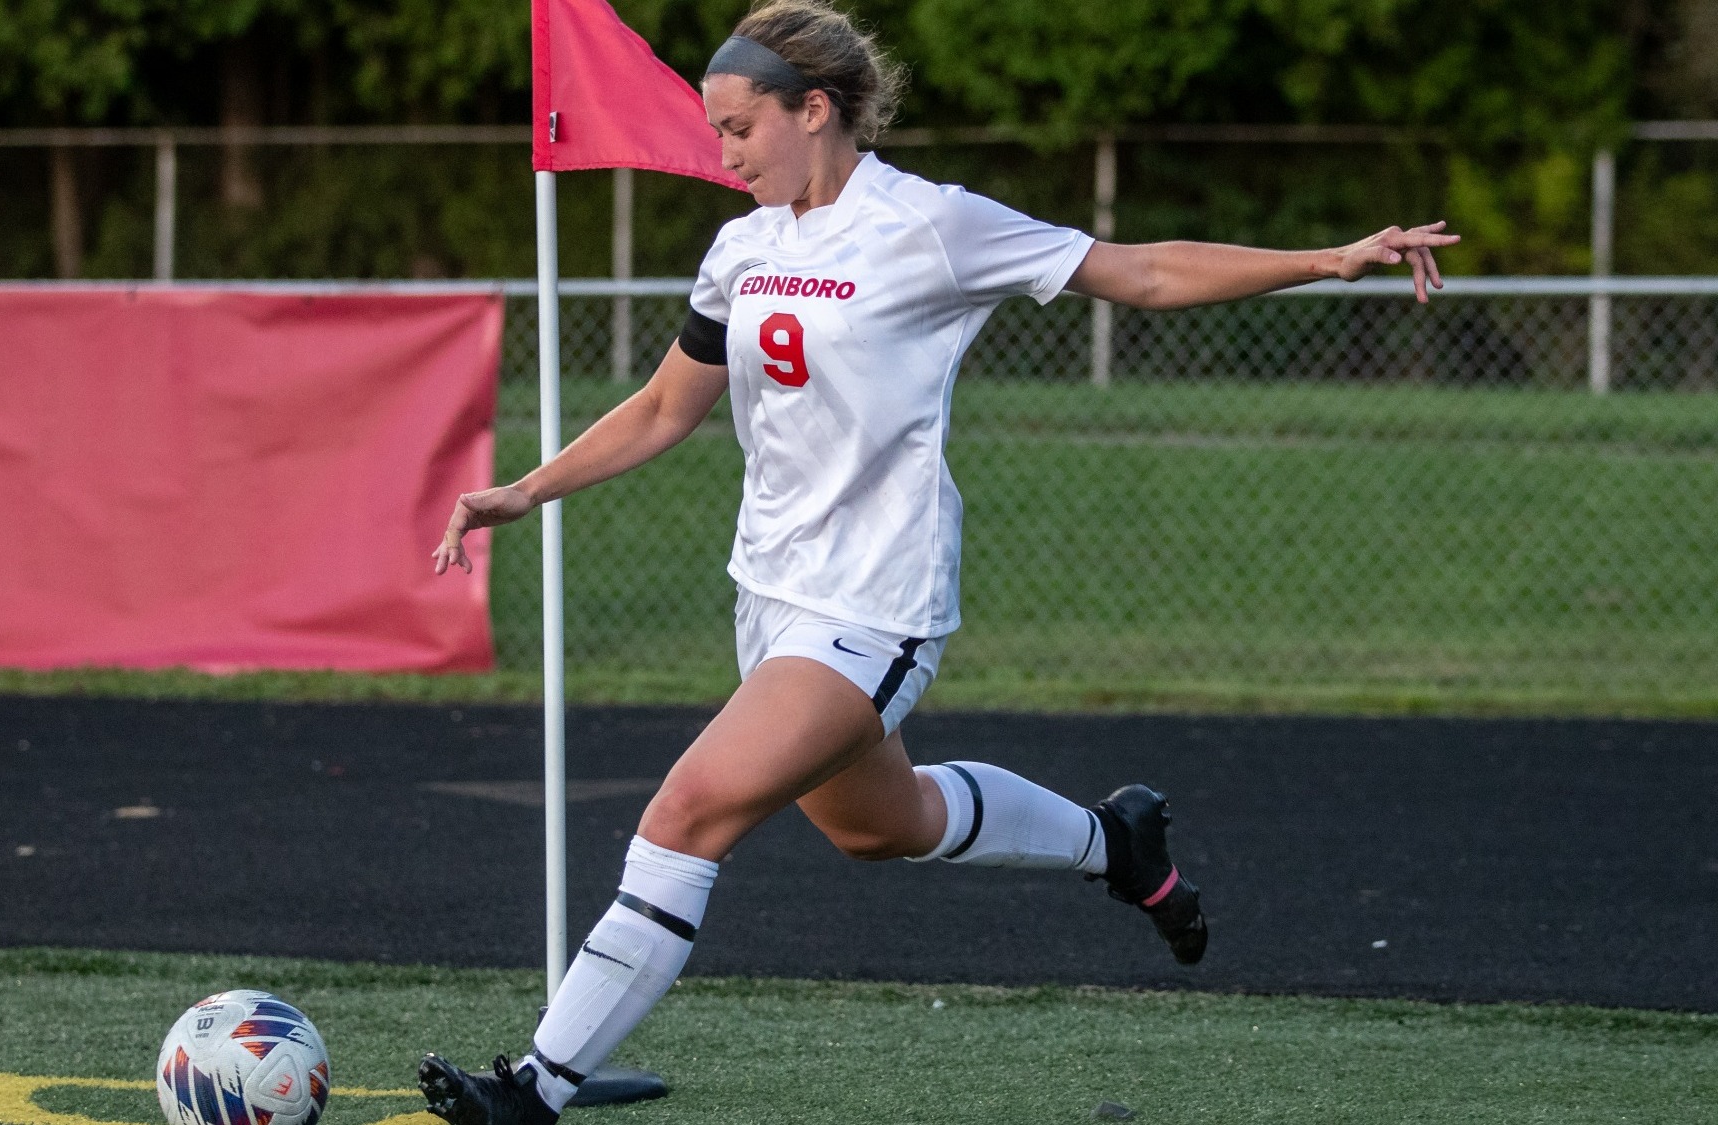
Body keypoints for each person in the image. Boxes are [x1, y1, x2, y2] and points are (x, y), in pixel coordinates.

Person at [419, 2, 1457, 1121]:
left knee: (685, 815)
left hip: (873, 602)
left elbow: (1140, 273)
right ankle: (1113, 842)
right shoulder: (744, 245)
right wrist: (526, 488)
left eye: (736, 128)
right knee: (882, 825)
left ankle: (535, 1087)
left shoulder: (930, 226)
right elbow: (669, 405)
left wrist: (1326, 259)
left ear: (813, 110)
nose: (719, 153)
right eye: (713, 130)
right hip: (767, 595)